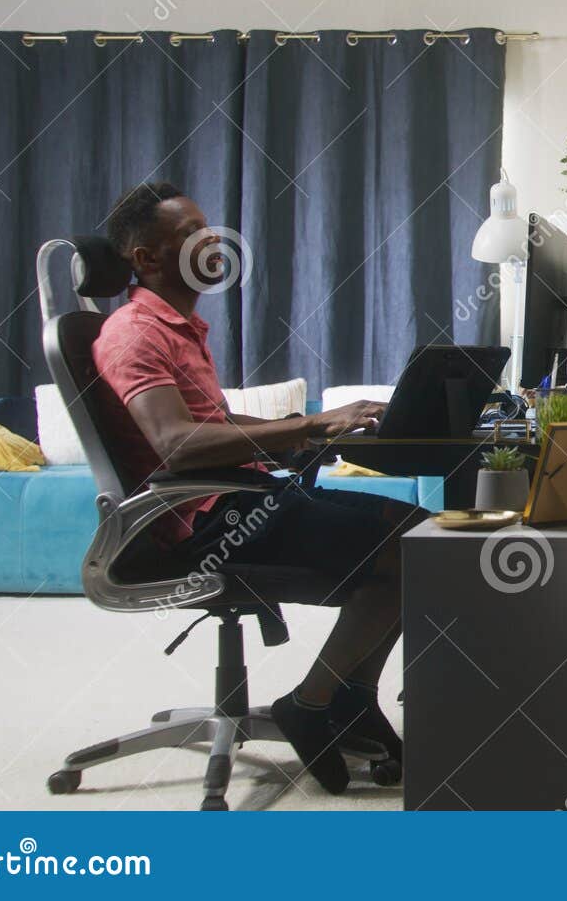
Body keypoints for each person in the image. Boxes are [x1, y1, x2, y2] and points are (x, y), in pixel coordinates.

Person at [93, 181, 423, 794]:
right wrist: (306, 423)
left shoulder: (181, 327)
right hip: (207, 522)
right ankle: (314, 701)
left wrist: (311, 431)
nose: (213, 238)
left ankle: (344, 697)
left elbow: (212, 424)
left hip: (240, 498)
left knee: (411, 537)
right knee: (410, 546)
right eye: (192, 231)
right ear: (147, 258)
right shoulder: (133, 332)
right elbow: (176, 443)